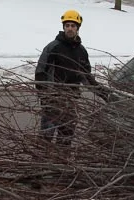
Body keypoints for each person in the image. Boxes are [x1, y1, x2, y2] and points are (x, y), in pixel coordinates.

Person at [34, 9, 101, 145]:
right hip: (52, 101)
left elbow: (86, 76)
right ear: (63, 27)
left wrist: (103, 93)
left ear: (78, 28)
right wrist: (45, 96)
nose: (70, 28)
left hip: (71, 101)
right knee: (45, 140)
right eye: (67, 25)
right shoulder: (53, 47)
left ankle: (61, 164)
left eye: (73, 26)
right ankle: (41, 164)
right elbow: (40, 73)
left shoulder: (81, 51)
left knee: (65, 139)